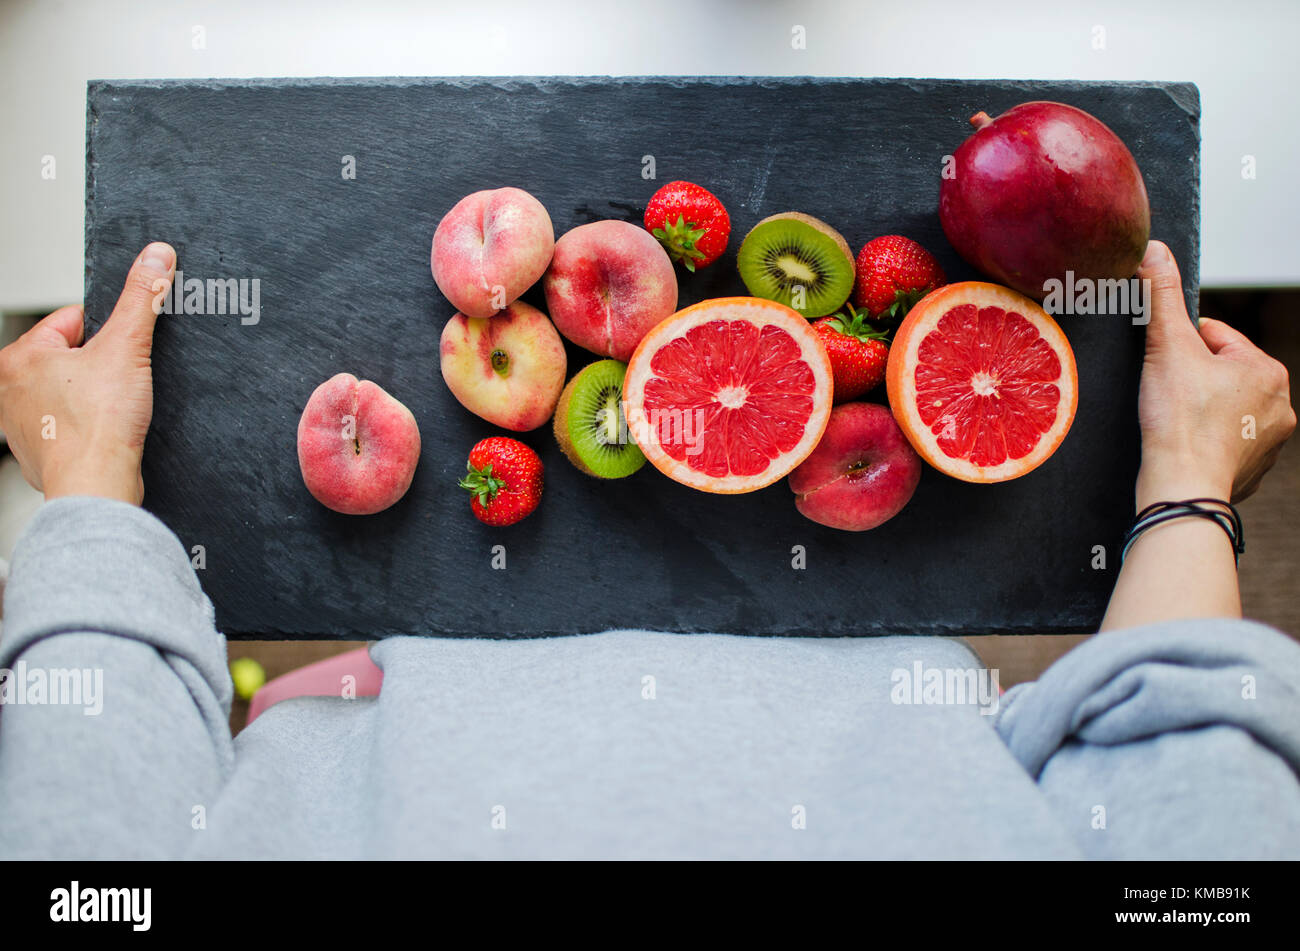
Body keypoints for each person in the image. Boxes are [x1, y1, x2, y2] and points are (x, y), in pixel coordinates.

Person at [0, 240, 1296, 860]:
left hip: (397, 683)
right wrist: (1183, 481)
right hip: (878, 655)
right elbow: (1206, 801)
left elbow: (79, 846)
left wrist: (88, 471)